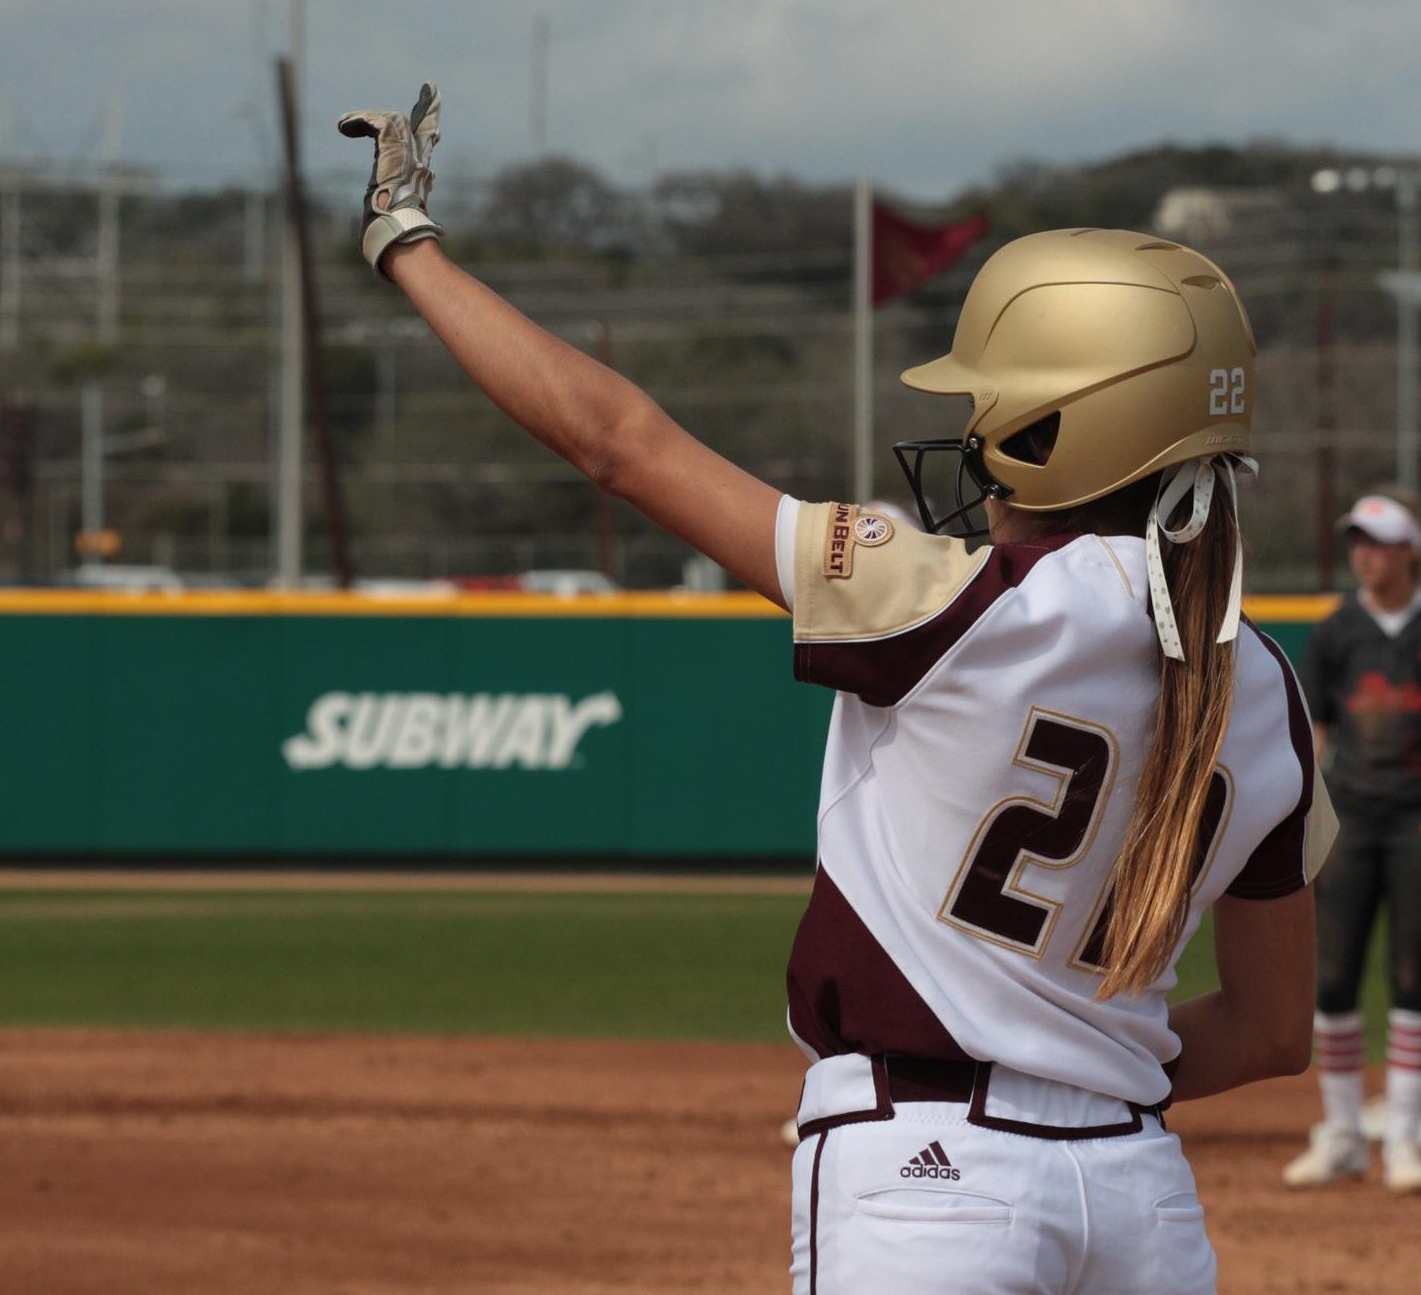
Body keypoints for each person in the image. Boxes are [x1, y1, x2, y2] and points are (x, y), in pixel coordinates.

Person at [340, 85, 1334, 1295]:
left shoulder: (955, 605)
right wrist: (1082, 1073)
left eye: (987, 403)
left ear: (1057, 430)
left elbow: (618, 442)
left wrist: (405, 241)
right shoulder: (1265, 684)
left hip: (928, 1175)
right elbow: (1277, 1033)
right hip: (1139, 1198)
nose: (970, 430)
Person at [1283, 493, 1421, 1194]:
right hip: (1351, 821)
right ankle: (1342, 1134)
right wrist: (1297, 811)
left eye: (1378, 542)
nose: (1365, 556)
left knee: (1413, 976)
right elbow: (1314, 734)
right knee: (1334, 978)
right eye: (1357, 543)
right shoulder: (1339, 629)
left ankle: (1403, 1137)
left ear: (1410, 550)